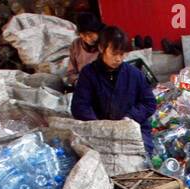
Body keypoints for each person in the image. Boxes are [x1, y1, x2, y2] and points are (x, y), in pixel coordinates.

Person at [70, 26, 157, 156]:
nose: (118, 59)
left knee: (140, 157)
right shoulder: (88, 74)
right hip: (100, 133)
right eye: (114, 53)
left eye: (122, 54)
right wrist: (100, 126)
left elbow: (149, 103)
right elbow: (80, 106)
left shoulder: (134, 74)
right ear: (101, 48)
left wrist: (130, 118)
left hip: (132, 131)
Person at [64, 12, 103, 88]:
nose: (88, 38)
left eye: (90, 34)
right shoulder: (76, 45)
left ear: (97, 31)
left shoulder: (105, 42)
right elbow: (70, 73)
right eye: (84, 35)